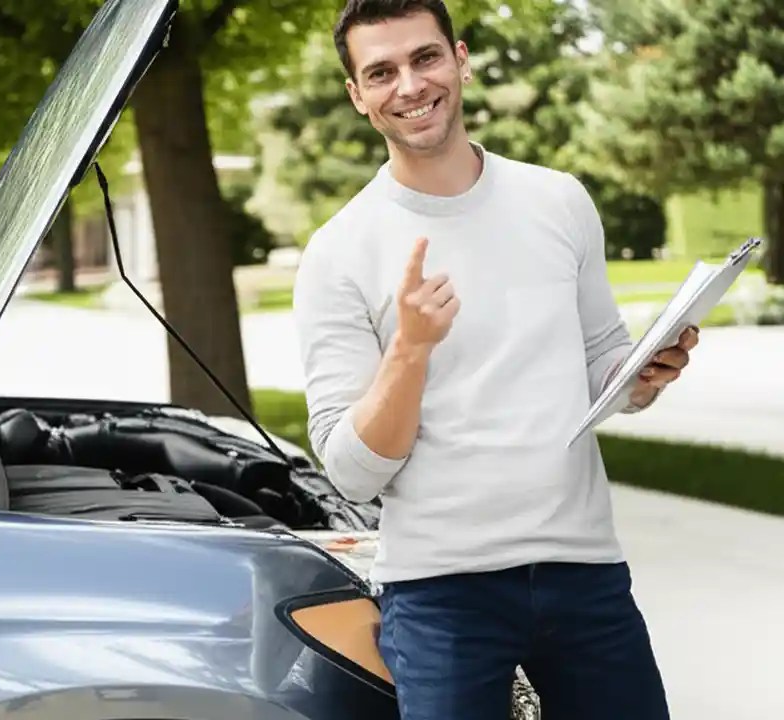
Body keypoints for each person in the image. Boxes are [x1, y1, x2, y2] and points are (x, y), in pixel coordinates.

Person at [291, 1, 699, 718]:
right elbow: (353, 471)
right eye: (381, 72)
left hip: (584, 570)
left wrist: (640, 376)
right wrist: (410, 352)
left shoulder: (558, 200)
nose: (410, 86)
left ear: (462, 58)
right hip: (441, 592)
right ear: (358, 96)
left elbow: (601, 357)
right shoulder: (338, 253)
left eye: (425, 58)